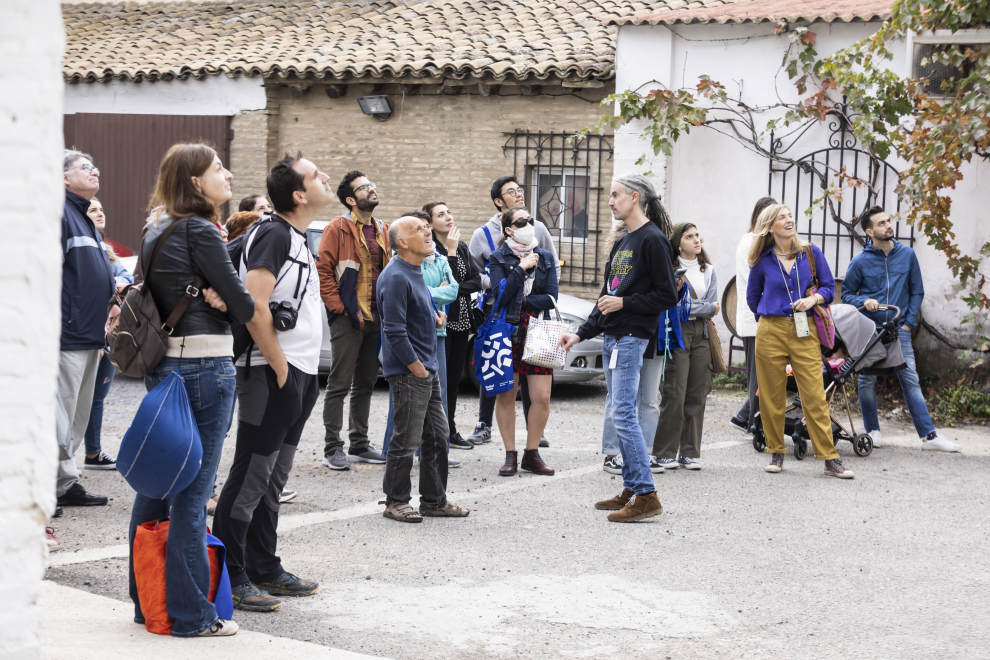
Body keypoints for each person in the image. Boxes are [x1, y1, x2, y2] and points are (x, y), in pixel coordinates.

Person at [129, 143, 255, 637]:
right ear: (196, 183)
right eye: (217, 169)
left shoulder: (156, 228)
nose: (226, 175)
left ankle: (147, 601)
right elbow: (245, 306)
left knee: (157, 483)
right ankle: (190, 615)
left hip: (167, 367)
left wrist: (221, 295)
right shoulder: (200, 229)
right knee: (192, 492)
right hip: (205, 365)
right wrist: (225, 301)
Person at [213, 154, 326, 613]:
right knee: (251, 475)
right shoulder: (275, 233)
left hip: (299, 371)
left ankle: (264, 566)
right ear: (299, 195)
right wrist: (279, 367)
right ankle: (229, 575)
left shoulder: (296, 236)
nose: (325, 178)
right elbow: (256, 305)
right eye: (316, 175)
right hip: (271, 371)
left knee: (274, 477)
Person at [561, 173, 676, 522]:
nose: (610, 201)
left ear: (635, 197)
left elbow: (667, 295)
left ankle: (646, 494)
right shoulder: (624, 241)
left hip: (631, 337)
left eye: (615, 195)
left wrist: (625, 305)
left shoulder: (653, 241)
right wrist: (580, 334)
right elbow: (606, 297)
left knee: (624, 414)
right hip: (613, 337)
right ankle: (631, 485)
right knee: (619, 413)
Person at [746, 204, 854, 478]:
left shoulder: (810, 252)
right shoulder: (762, 260)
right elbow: (752, 297)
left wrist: (813, 299)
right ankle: (776, 451)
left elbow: (829, 288)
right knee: (770, 395)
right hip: (770, 329)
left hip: (804, 328)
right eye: (782, 217)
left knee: (814, 394)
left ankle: (830, 458)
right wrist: (768, 314)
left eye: (790, 215)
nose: (789, 220)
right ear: (770, 227)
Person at [842, 206, 961, 452]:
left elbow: (917, 291)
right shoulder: (860, 261)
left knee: (911, 381)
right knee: (866, 381)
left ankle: (929, 437)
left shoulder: (907, 255)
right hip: (869, 331)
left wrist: (907, 323)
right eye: (881, 223)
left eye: (888, 221)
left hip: (898, 331)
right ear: (869, 231)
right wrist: (863, 302)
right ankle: (873, 431)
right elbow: (845, 294)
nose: (888, 225)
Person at [378, 216, 469, 522]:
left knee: (437, 435)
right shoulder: (395, 276)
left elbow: (420, 304)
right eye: (418, 229)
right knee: (407, 438)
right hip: (410, 371)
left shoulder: (414, 271)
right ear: (402, 242)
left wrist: (434, 316)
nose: (428, 231)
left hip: (426, 368)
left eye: (426, 226)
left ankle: (433, 500)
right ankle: (395, 500)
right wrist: (415, 366)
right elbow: (393, 330)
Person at [466, 175, 560, 446]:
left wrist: (519, 296)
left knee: (538, 390)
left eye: (520, 190)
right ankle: (485, 424)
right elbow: (480, 277)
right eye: (511, 192)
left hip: (537, 325)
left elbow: (550, 288)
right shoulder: (485, 238)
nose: (519, 194)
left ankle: (534, 435)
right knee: (499, 379)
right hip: (500, 319)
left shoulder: (538, 230)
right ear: (499, 202)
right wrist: (515, 277)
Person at [317, 170, 389, 471]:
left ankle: (359, 443)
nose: (371, 190)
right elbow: (323, 273)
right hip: (348, 317)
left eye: (372, 184)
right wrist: (341, 309)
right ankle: (333, 447)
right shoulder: (337, 228)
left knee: (366, 383)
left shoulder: (383, 228)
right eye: (364, 187)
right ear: (351, 198)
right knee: (339, 383)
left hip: (376, 317)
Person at [55, 150, 115, 508]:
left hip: (90, 334)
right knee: (59, 420)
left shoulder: (84, 218)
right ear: (63, 178)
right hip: (67, 335)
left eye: (95, 166)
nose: (95, 172)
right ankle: (46, 488)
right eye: (85, 168)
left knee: (77, 417)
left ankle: (65, 482)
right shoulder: (58, 214)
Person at [488, 207, 558, 476]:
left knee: (541, 397)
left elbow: (551, 298)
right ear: (509, 229)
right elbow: (498, 296)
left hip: (539, 330)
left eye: (531, 220)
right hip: (507, 331)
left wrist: (518, 297)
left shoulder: (547, 257)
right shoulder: (499, 257)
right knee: (506, 393)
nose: (529, 224)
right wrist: (520, 269)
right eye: (521, 221)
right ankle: (510, 455)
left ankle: (532, 453)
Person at [652, 222, 720, 471]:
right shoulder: (671, 270)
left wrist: (703, 308)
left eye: (697, 235)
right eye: (690, 236)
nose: (696, 240)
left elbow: (713, 306)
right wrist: (705, 308)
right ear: (679, 244)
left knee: (697, 393)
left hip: (701, 334)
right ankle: (664, 452)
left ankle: (689, 452)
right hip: (677, 334)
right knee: (674, 392)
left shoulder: (709, 270)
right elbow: (681, 308)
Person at [425, 200, 483, 450]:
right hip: (440, 322)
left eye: (448, 212)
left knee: (453, 381)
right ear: (430, 223)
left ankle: (450, 430)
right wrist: (448, 253)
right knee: (439, 382)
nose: (448, 217)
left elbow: (476, 280)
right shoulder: (432, 248)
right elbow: (445, 284)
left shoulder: (460, 246)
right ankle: (436, 434)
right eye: (441, 214)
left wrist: (453, 290)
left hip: (461, 322)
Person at [82, 197, 134, 470]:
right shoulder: (80, 248)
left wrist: (118, 282)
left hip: (109, 335)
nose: (100, 213)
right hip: (85, 334)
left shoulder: (106, 248)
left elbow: (126, 275)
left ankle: (93, 453)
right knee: (76, 397)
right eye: (93, 210)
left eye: (102, 208)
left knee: (98, 396)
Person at [730, 197, 777, 433]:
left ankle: (744, 418)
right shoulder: (753, 242)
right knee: (759, 378)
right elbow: (758, 282)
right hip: (756, 319)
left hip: (758, 318)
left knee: (765, 376)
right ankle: (754, 425)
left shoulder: (753, 240)